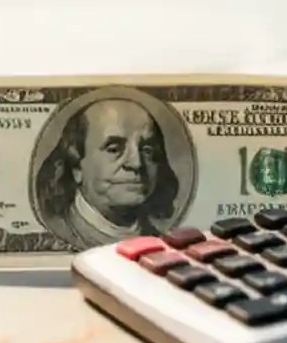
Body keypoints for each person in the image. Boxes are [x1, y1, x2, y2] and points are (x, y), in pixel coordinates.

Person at [36, 98, 180, 250]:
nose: (136, 163)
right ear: (76, 165)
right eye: (114, 149)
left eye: (147, 151)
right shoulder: (58, 233)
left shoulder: (162, 240)